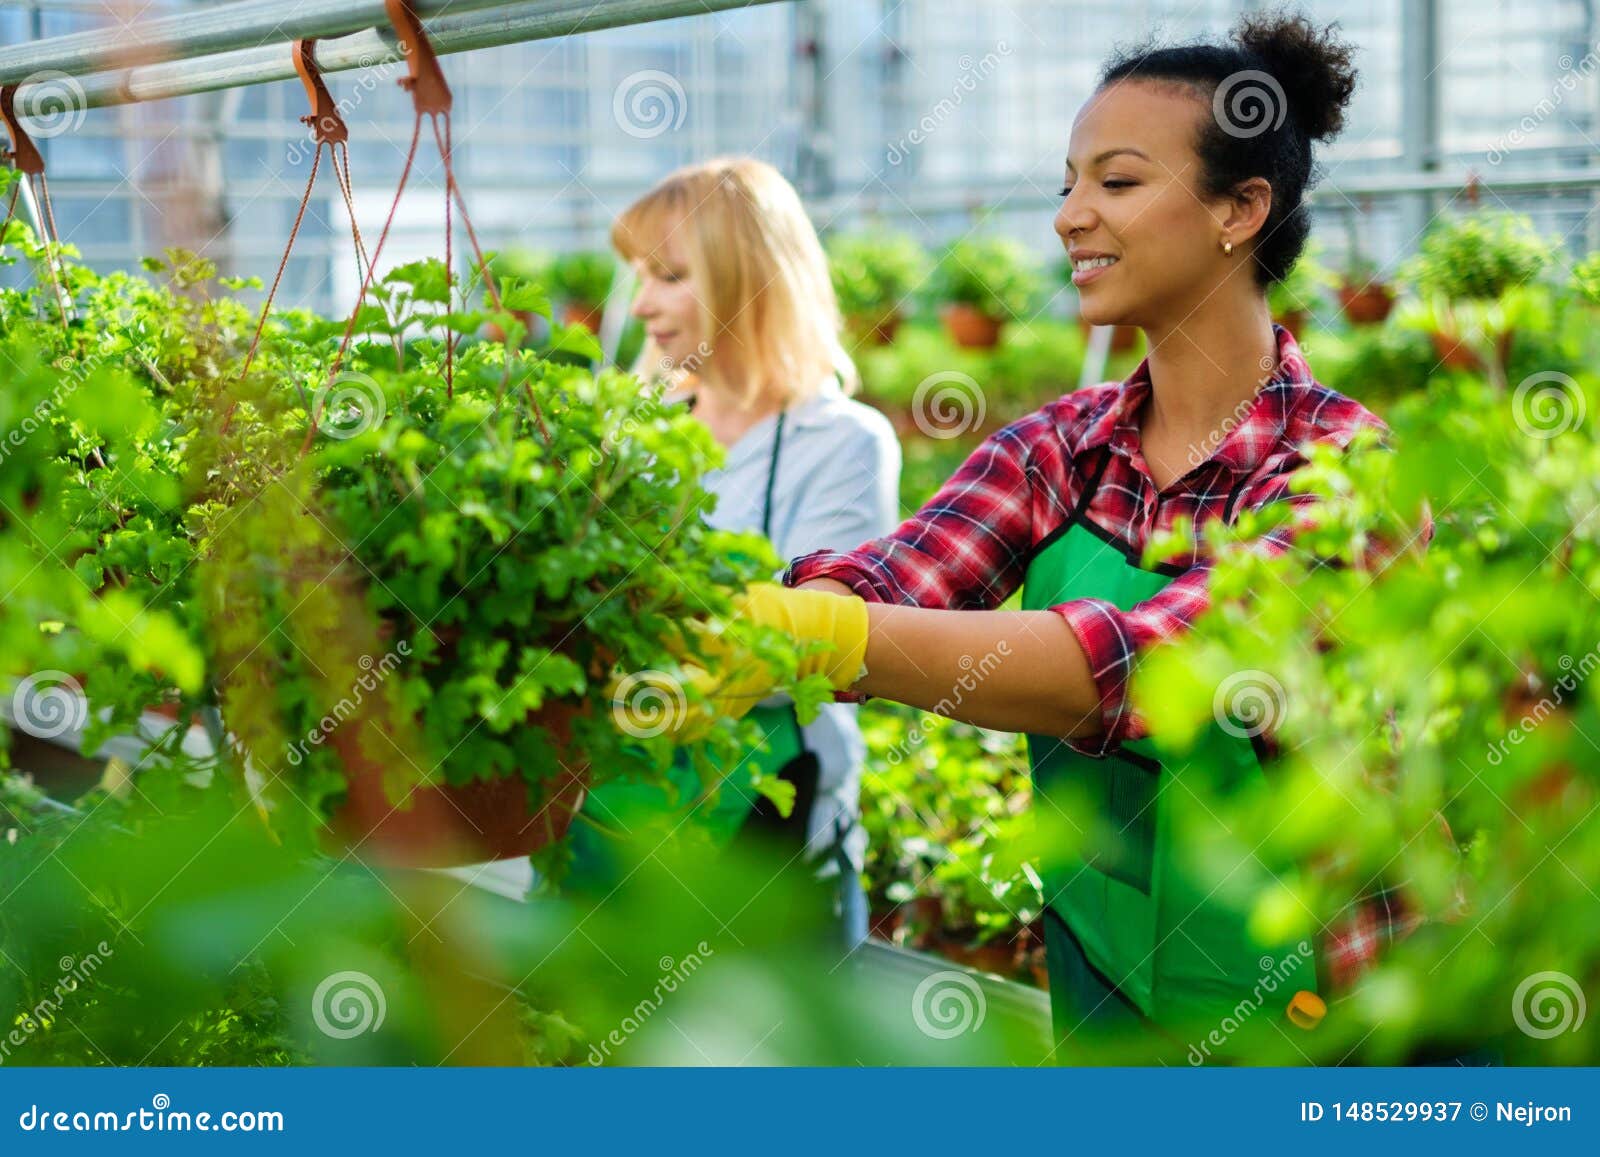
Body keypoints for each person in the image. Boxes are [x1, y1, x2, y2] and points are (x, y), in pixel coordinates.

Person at [660, 15, 1425, 1058]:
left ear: (1240, 209)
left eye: (1114, 183)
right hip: (1104, 978)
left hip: (1318, 1009)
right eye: (1067, 183)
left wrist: (826, 638)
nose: (1069, 217)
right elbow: (897, 574)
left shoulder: (1342, 461)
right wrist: (744, 614)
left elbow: (1163, 667)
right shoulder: (1061, 446)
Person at [564, 157, 901, 946]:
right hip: (616, 825)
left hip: (772, 848)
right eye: (639, 276)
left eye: (671, 275)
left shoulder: (842, 441)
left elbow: (822, 643)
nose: (641, 303)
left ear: (750, 279)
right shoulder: (632, 428)